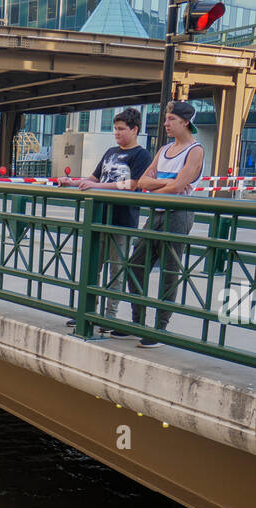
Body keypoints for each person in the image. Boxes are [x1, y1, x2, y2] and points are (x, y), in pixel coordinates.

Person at [59, 107, 153, 334]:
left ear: (135, 130)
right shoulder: (110, 151)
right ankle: (87, 310)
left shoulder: (142, 155)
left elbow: (135, 184)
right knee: (93, 266)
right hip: (100, 218)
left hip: (122, 220)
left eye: (121, 129)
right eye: (115, 128)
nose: (117, 133)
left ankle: (109, 316)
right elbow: (93, 178)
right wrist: (71, 182)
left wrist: (98, 186)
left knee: (117, 270)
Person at [123, 100, 205, 347]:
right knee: (135, 265)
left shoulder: (195, 150)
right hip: (157, 212)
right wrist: (165, 185)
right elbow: (142, 182)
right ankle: (138, 321)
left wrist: (160, 184)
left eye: (171, 120)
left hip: (178, 213)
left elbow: (179, 187)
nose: (166, 123)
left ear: (185, 122)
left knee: (170, 271)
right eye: (166, 119)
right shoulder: (164, 150)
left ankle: (160, 328)